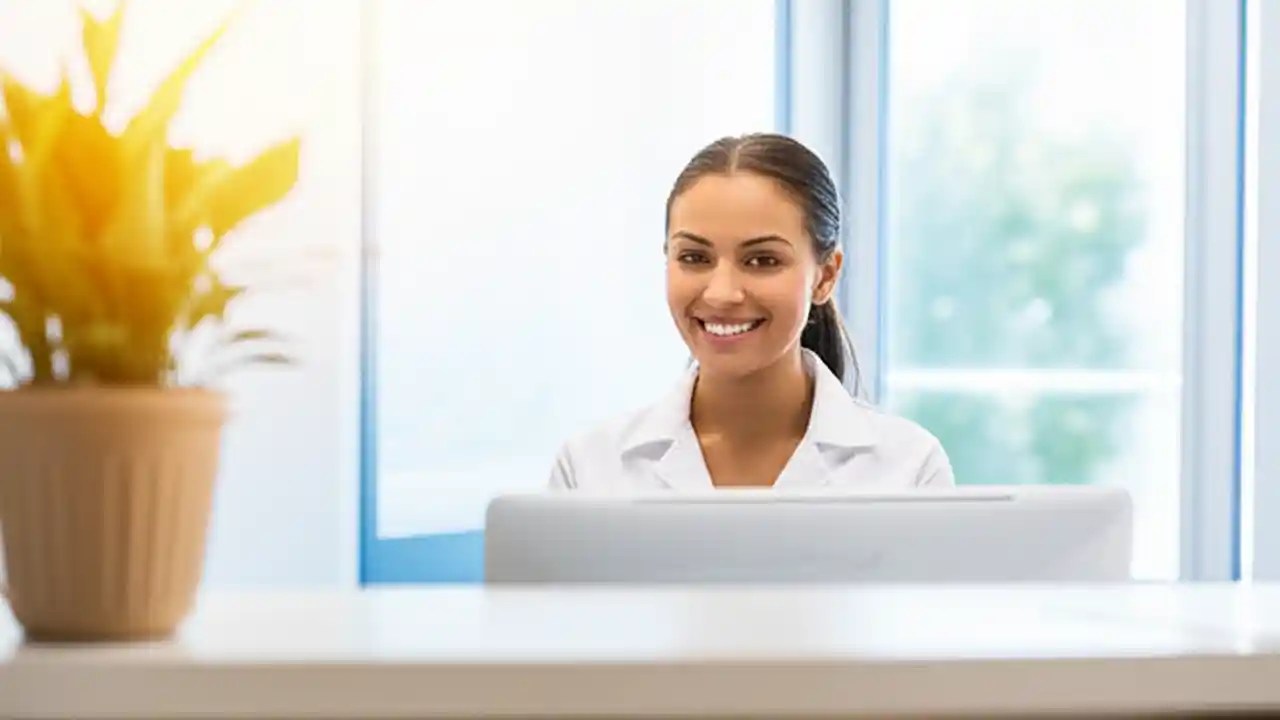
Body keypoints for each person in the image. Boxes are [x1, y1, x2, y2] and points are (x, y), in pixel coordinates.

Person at [549, 133, 954, 491]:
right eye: (694, 257)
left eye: (762, 260)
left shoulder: (909, 470)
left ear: (825, 276)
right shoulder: (589, 470)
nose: (722, 293)